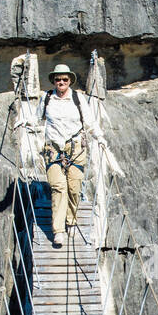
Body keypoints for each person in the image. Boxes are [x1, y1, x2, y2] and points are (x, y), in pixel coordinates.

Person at [37, 63, 107, 247]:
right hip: (53, 149)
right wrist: (24, 125)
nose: (61, 82)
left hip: (75, 149)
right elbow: (37, 120)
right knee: (58, 187)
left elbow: (90, 122)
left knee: (74, 187)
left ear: (70, 81)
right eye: (58, 79)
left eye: (65, 79)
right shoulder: (46, 98)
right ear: (53, 80)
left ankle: (71, 220)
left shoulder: (78, 98)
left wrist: (99, 137)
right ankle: (58, 230)